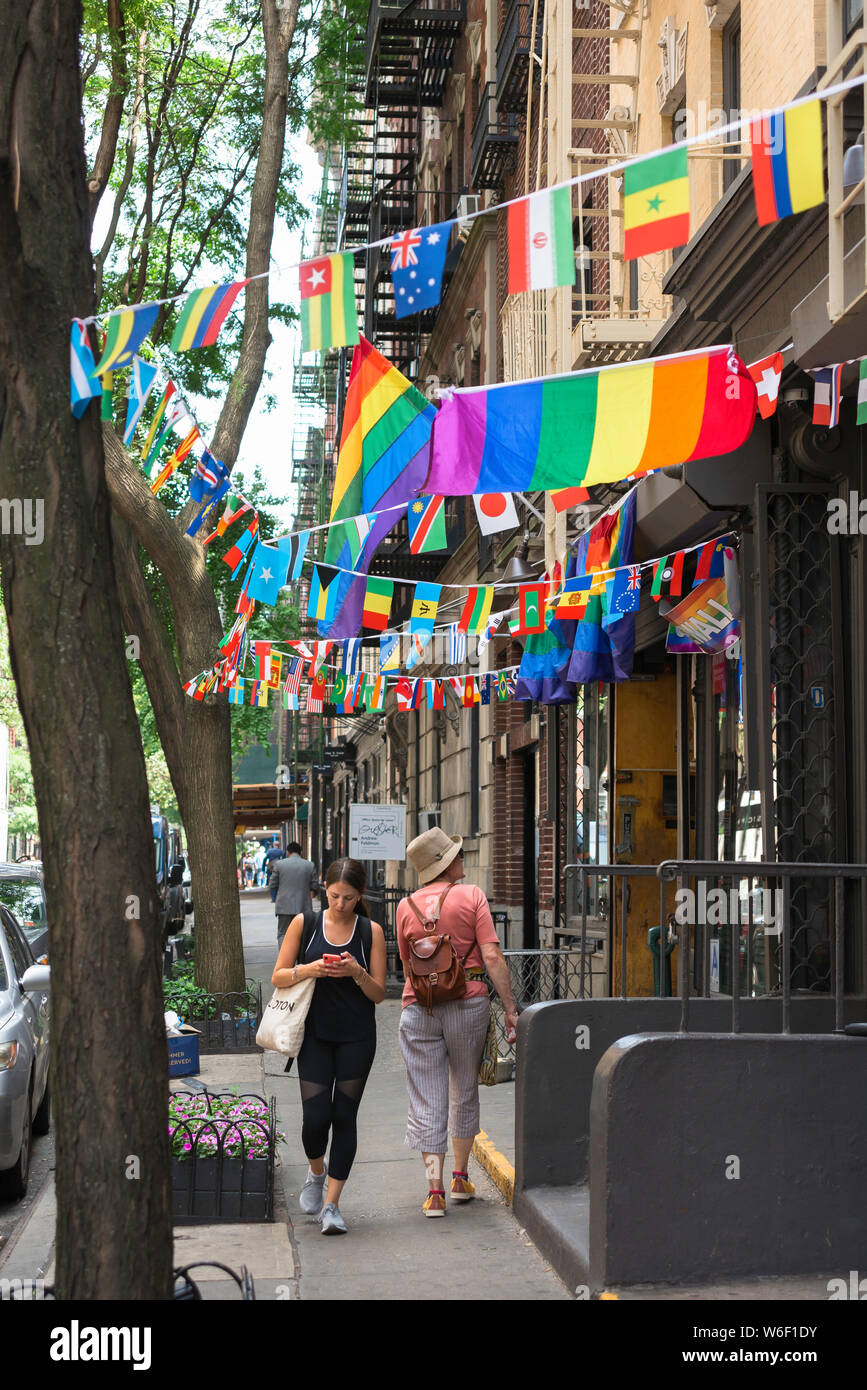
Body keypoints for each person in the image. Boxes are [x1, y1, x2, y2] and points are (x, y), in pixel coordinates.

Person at [396, 827, 519, 1218]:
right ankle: (460, 1178)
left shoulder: (405, 907)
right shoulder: (472, 896)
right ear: (446, 864)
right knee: (463, 1090)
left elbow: (406, 965)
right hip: (468, 1004)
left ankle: (434, 1193)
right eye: (457, 855)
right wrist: (510, 1009)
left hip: (419, 1009)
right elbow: (493, 957)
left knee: (426, 1100)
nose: (462, 860)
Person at [271, 858, 386, 1234]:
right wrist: (310, 969)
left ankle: (332, 1207)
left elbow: (379, 993)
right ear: (322, 888)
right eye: (335, 896)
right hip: (315, 1035)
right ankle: (316, 1172)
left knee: (344, 1117)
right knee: (316, 1118)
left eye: (349, 898)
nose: (340, 904)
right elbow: (279, 974)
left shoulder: (371, 931)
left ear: (360, 895)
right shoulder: (305, 924)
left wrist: (356, 972)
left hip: (357, 1036)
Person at [270, 842, 318, 947]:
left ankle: (285, 959)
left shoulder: (279, 864)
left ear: (288, 852)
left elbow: (273, 884)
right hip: (303, 906)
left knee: (283, 933)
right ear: (300, 852)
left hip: (284, 906)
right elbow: (314, 885)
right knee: (303, 933)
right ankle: (300, 958)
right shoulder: (309, 865)